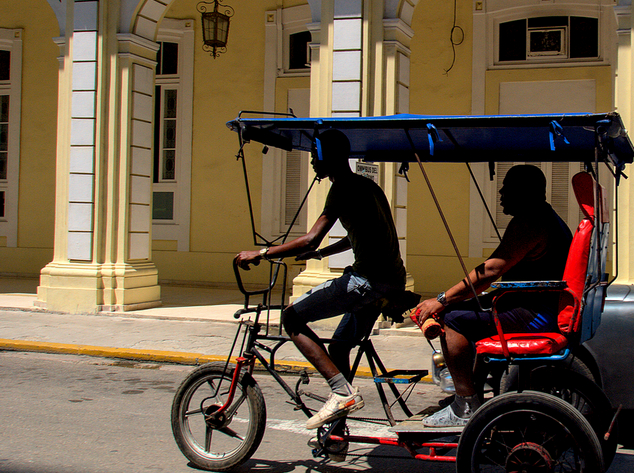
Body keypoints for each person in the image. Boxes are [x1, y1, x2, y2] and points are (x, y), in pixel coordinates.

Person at [235, 128, 407, 432]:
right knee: (340, 347)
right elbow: (359, 236)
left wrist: (261, 253)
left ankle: (341, 392)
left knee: (291, 317)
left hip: (365, 282)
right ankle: (337, 432)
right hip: (390, 280)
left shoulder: (342, 187)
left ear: (331, 156)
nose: (313, 161)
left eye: (316, 155)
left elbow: (310, 239)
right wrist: (323, 253)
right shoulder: (367, 186)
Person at [413, 164, 571, 427]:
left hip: (535, 313)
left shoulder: (530, 221)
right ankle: (471, 393)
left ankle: (464, 404)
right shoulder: (543, 217)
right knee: (464, 308)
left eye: (507, 186)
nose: (500, 192)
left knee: (452, 319)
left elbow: (491, 270)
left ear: (526, 191)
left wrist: (441, 300)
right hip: (533, 304)